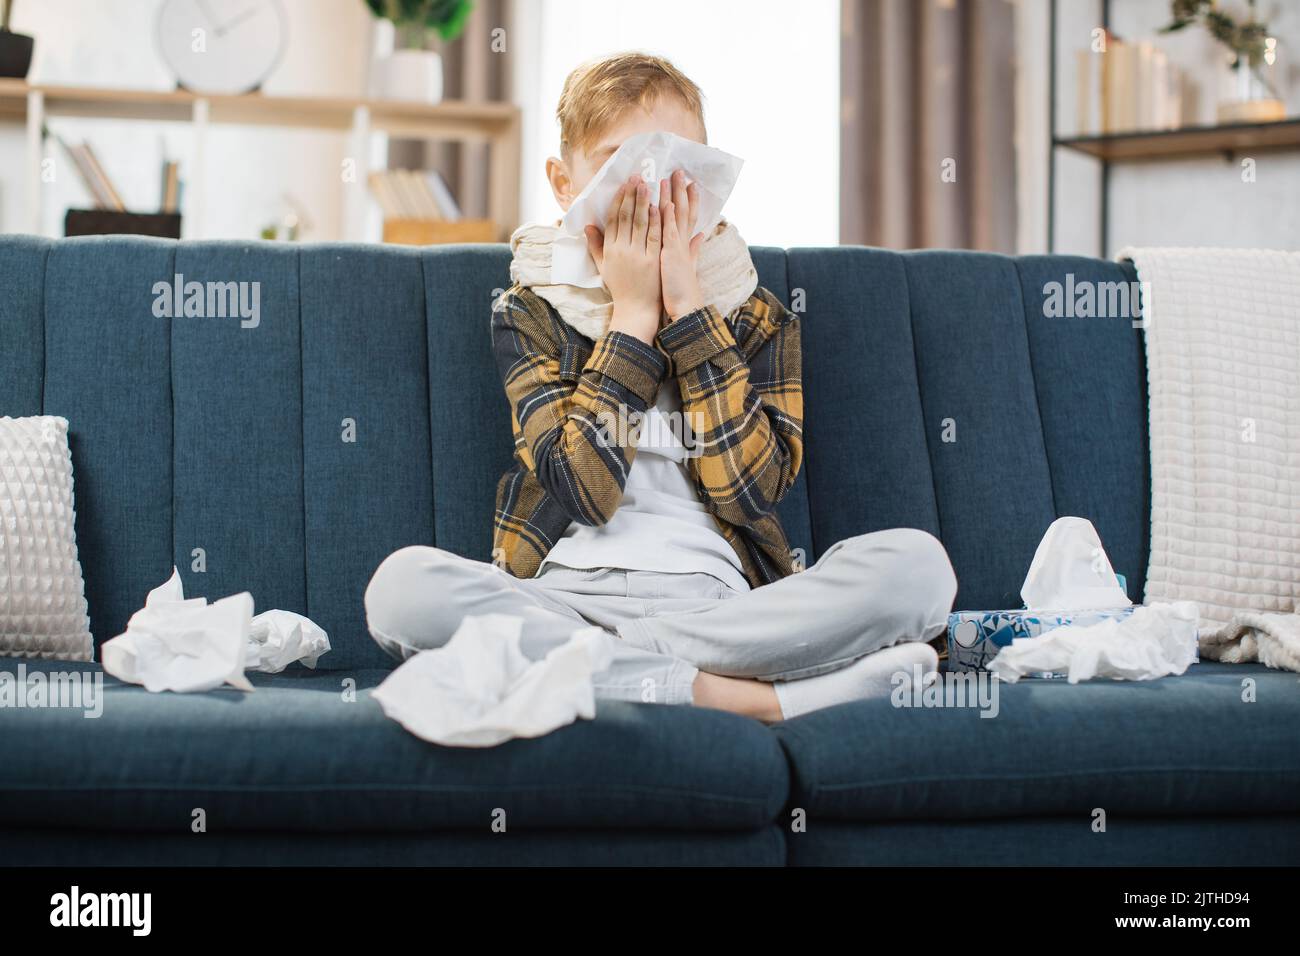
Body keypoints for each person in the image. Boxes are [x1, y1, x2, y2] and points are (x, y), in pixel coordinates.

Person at [365, 52, 956, 721]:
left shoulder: (757, 315)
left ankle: (609, 665)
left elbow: (751, 489)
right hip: (569, 599)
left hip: (721, 610)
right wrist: (633, 319)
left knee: (918, 568)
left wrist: (689, 312)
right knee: (401, 590)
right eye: (620, 164)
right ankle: (749, 698)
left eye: (679, 173)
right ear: (564, 183)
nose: (653, 197)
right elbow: (583, 490)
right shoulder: (529, 308)